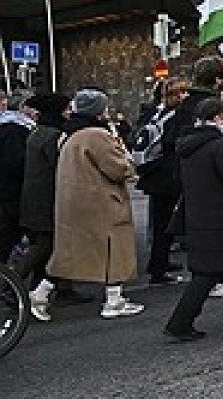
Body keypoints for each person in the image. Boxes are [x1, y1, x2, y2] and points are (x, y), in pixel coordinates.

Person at [31, 89, 145, 321]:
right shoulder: (96, 135)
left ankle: (41, 292)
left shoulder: (67, 134)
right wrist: (127, 159)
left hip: (74, 201)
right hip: (102, 200)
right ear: (98, 111)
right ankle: (114, 300)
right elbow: (118, 168)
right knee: (115, 248)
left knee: (70, 253)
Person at [164, 99, 223, 341]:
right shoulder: (218, 146)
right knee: (208, 274)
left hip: (203, 212)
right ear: (217, 118)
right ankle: (180, 323)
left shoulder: (190, 144)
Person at [13, 94, 79, 302]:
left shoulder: (36, 132)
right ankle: (12, 284)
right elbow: (62, 166)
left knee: (47, 244)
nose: (69, 113)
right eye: (66, 109)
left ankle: (46, 286)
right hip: (48, 199)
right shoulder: (54, 136)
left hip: (33, 197)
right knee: (45, 245)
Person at [137, 77, 187, 285]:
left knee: (161, 221)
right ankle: (158, 268)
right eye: (182, 92)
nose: (185, 96)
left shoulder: (155, 113)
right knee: (165, 223)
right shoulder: (176, 116)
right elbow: (172, 143)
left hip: (154, 173)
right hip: (166, 175)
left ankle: (160, 261)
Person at [0, 88, 34, 263]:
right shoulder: (16, 129)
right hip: (11, 192)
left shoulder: (7, 126)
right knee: (8, 235)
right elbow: (15, 163)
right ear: (24, 107)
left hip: (8, 191)